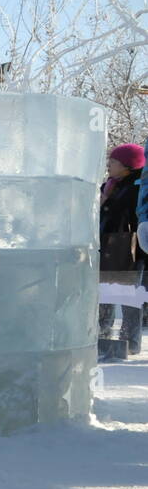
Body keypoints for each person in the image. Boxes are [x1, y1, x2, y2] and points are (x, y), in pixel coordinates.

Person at [98, 143, 145, 359]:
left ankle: (130, 341)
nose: (109, 164)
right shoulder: (111, 184)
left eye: (114, 161)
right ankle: (102, 335)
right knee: (106, 292)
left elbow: (126, 212)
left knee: (129, 295)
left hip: (131, 245)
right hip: (111, 244)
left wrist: (107, 202)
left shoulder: (136, 186)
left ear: (127, 165)